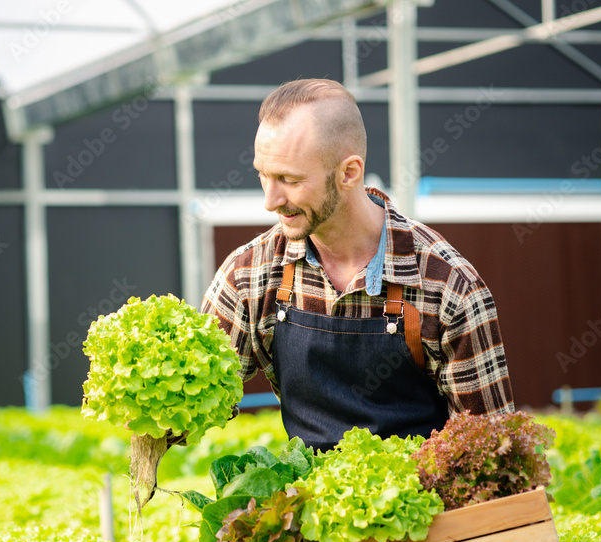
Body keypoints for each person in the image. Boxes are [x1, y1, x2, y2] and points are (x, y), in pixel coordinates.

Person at [200, 78, 514, 452]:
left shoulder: (446, 286)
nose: (270, 200)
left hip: (424, 507)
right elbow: (195, 394)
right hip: (307, 507)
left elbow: (494, 453)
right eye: (263, 175)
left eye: (289, 179)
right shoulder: (251, 274)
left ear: (349, 173)